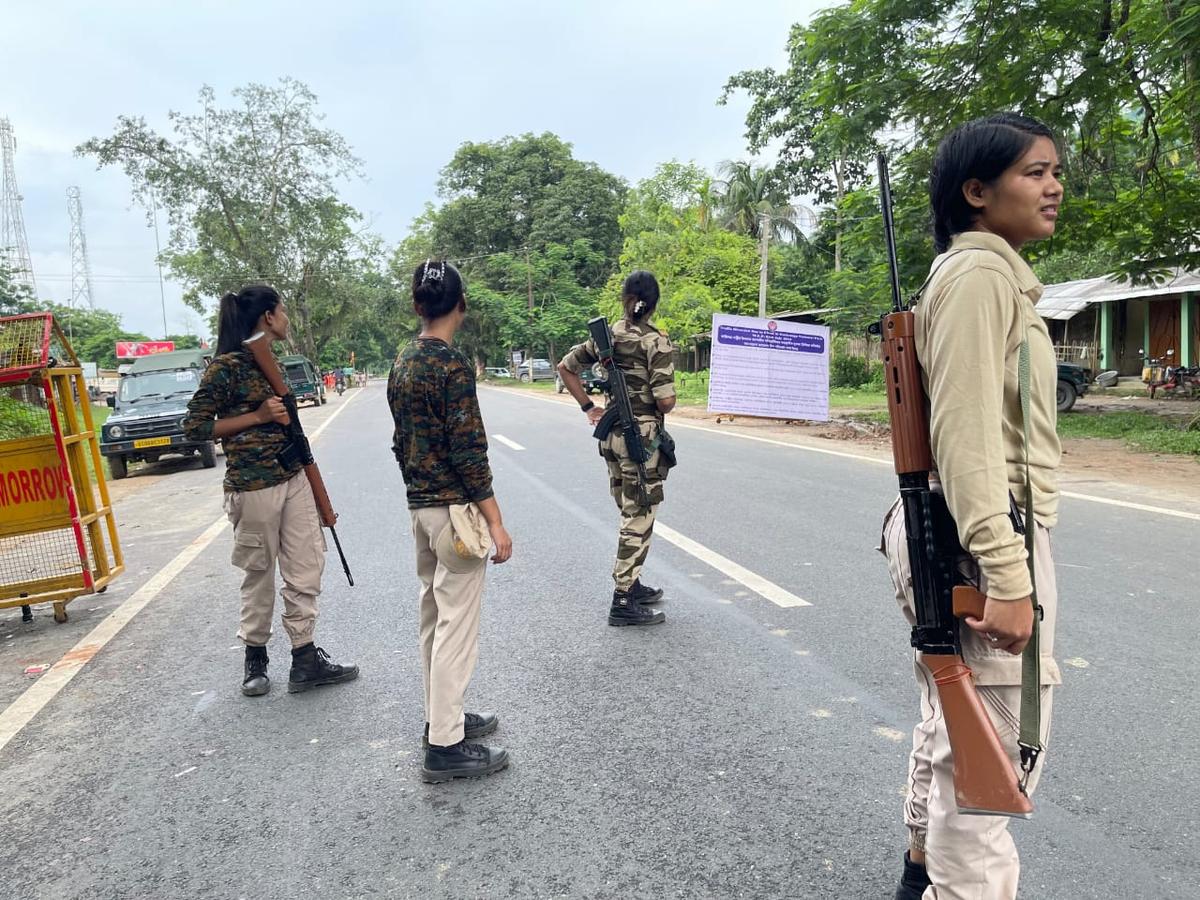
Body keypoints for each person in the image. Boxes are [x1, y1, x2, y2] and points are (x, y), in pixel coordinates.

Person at [881, 113, 1064, 900]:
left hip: (953, 532)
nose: (1054, 187)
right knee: (988, 771)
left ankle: (919, 872)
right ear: (978, 192)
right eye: (1035, 172)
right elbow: (965, 439)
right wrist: (1009, 573)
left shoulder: (973, 275)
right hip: (977, 536)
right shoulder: (983, 277)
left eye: (1056, 172)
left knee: (954, 722)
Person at [184, 285, 359, 697]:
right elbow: (195, 429)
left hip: (294, 477)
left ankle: (304, 657)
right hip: (252, 486)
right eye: (282, 310)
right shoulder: (225, 367)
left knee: (305, 566)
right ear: (267, 316)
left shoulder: (272, 361)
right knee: (259, 574)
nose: (286, 318)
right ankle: (255, 658)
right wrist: (256, 416)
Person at [388, 259, 513, 783]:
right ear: (460, 305)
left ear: (418, 305)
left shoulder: (402, 361)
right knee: (457, 626)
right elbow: (469, 453)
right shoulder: (453, 368)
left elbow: (400, 440)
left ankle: (442, 718)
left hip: (420, 507)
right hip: (455, 514)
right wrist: (497, 523)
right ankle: (445, 745)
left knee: (434, 619)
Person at [557, 270, 677, 627]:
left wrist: (587, 406)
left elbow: (566, 368)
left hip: (612, 436)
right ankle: (623, 599)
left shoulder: (607, 337)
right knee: (638, 515)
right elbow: (666, 401)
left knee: (628, 509)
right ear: (653, 303)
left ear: (625, 298)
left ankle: (633, 581)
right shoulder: (656, 341)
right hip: (641, 440)